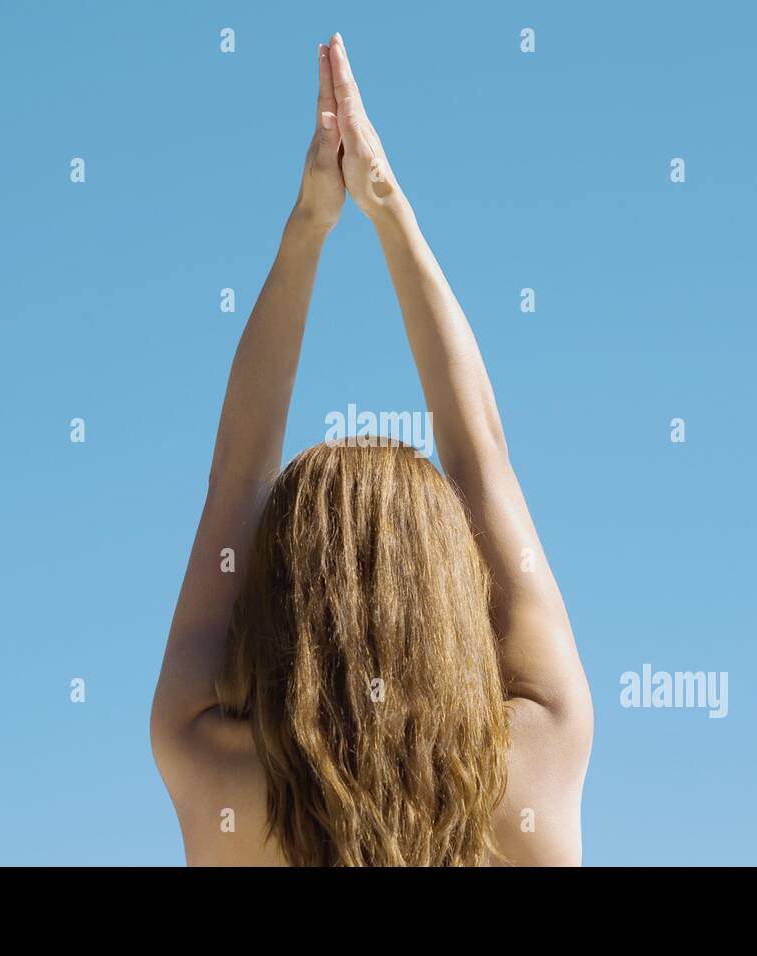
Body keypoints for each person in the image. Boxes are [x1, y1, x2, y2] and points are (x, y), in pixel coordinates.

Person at [150, 33, 592, 866]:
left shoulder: (215, 769)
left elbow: (235, 479)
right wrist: (386, 206)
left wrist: (307, 227)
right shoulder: (531, 759)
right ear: (451, 584)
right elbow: (482, 456)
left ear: (277, 588)